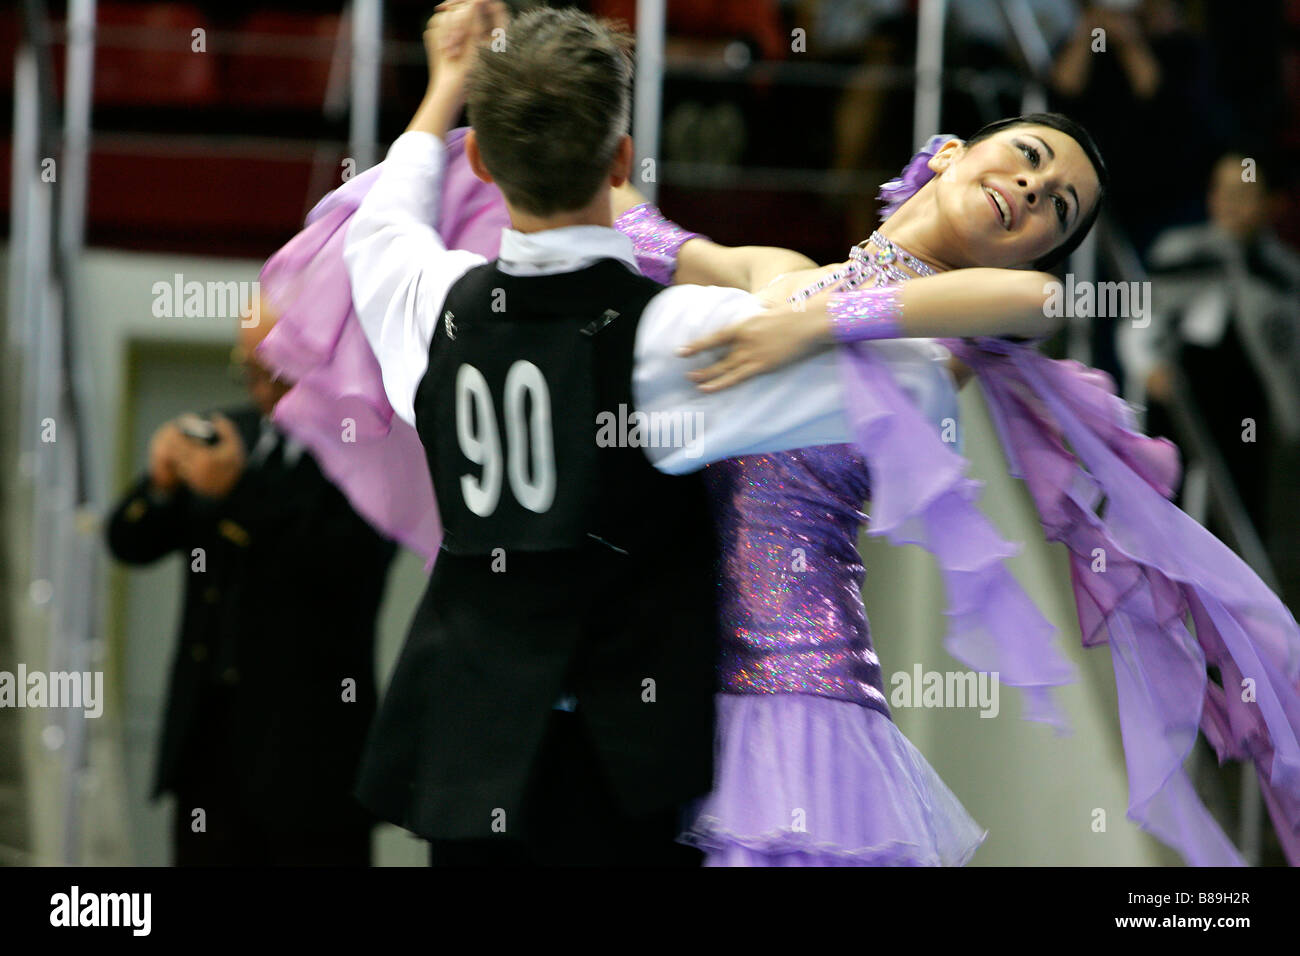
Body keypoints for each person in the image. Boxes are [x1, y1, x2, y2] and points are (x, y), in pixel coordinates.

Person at [327, 1, 1072, 867]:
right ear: (618, 160)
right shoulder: (679, 337)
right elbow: (914, 383)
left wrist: (449, 81)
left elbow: (381, 226)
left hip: (471, 761)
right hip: (625, 765)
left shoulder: (427, 296)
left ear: (483, 162)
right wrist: (816, 321)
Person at [104, 307, 396, 866]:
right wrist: (162, 487)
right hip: (210, 747)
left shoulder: (369, 451)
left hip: (312, 760)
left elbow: (344, 567)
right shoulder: (227, 434)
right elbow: (129, 541)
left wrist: (237, 492)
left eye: (278, 374)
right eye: (251, 371)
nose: (263, 390)